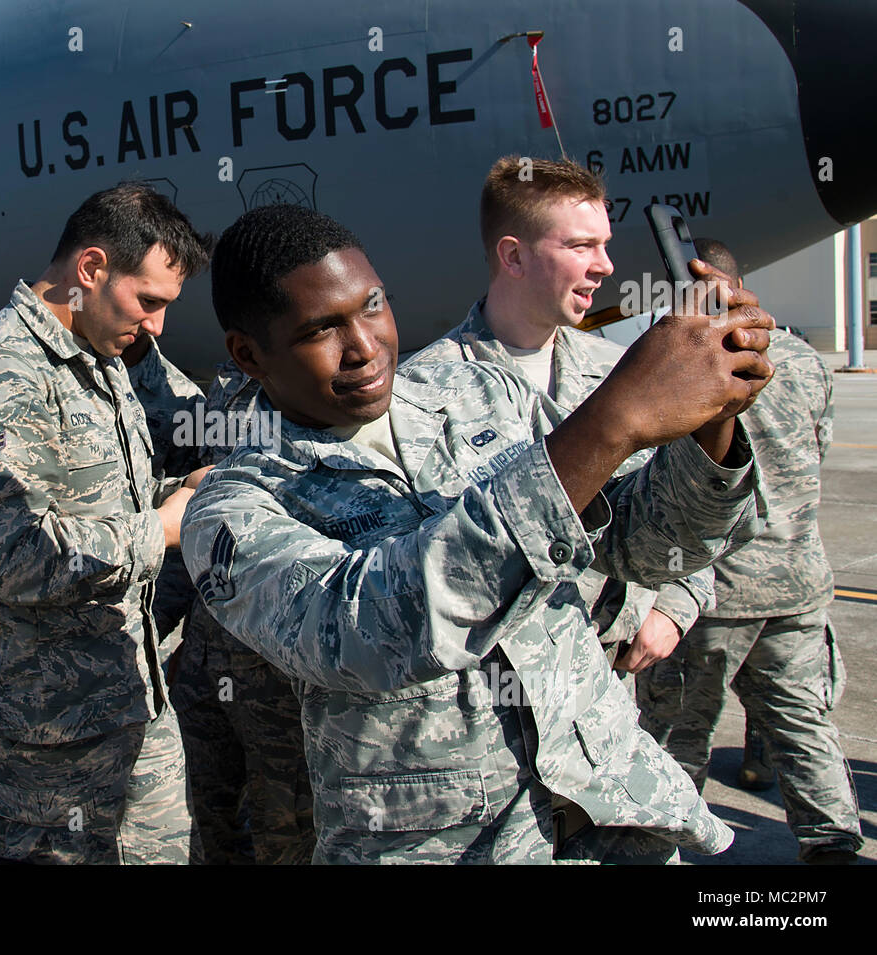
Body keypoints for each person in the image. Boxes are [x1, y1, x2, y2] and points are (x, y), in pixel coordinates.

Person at [181, 203, 775, 864]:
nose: (366, 345)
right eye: (323, 329)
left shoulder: (479, 396)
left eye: (373, 306)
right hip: (449, 846)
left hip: (609, 811)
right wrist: (612, 420)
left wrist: (713, 417)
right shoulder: (236, 507)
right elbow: (368, 632)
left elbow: (645, 544)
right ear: (247, 354)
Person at [0, 183, 212, 864]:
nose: (157, 327)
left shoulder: (102, 355)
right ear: (91, 269)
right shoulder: (1, 373)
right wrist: (163, 528)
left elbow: (124, 478)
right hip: (44, 736)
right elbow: (10, 555)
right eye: (148, 301)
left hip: (132, 701)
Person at [403, 157, 714, 681]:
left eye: (605, 244)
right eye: (580, 246)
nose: (606, 265)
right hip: (498, 694)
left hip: (609, 685)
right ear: (514, 257)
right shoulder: (420, 393)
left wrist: (675, 604)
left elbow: (682, 504)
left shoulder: (623, 373)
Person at [636, 238, 863, 865]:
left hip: (712, 592)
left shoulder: (681, 363)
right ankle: (833, 846)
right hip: (796, 582)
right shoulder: (802, 357)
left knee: (674, 739)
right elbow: (816, 449)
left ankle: (661, 847)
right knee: (803, 725)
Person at [170, 361, 316, 865]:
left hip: (277, 666)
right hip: (207, 655)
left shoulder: (321, 373)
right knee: (211, 819)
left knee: (288, 828)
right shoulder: (229, 382)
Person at [120, 332, 204, 649]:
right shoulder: (44, 379)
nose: (155, 325)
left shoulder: (185, 404)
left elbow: (181, 543)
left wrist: (146, 633)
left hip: (126, 623)